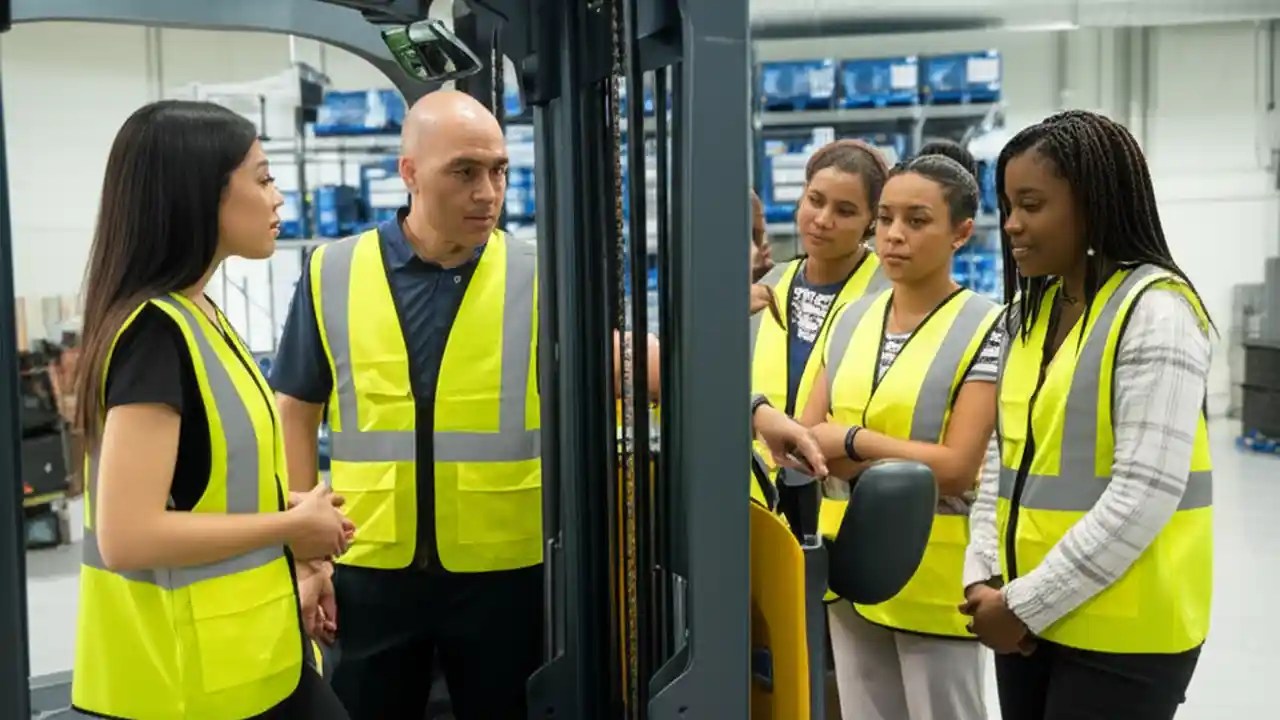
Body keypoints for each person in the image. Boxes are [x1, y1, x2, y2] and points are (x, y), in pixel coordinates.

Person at [69, 100, 352, 719]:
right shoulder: (154, 335)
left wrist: (296, 534)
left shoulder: (202, 316)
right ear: (201, 196)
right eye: (263, 176)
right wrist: (288, 528)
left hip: (253, 660)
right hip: (182, 688)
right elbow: (127, 535)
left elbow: (209, 488)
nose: (278, 197)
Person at [272, 89, 547, 720]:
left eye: (500, 170)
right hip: (368, 565)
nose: (488, 191)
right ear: (410, 173)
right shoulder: (331, 271)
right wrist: (307, 548)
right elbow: (297, 408)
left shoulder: (540, 272)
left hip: (503, 568)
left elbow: (617, 361)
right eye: (466, 171)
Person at [962, 110, 1214, 720]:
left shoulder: (1156, 313)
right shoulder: (1027, 313)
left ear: (1094, 205)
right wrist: (984, 579)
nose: (1013, 225)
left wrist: (1023, 603)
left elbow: (1145, 492)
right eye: (1007, 205)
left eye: (1032, 204)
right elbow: (1003, 456)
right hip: (1026, 617)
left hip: (1123, 630)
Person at [801, 152, 1003, 720]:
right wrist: (844, 446)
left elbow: (958, 466)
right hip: (847, 567)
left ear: (961, 232)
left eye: (917, 221)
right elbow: (812, 438)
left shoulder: (986, 326)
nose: (893, 236)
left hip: (936, 578)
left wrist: (858, 442)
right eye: (886, 218)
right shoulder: (850, 320)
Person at [748, 139, 891, 506]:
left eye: (845, 211)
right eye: (815, 200)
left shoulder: (889, 292)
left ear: (871, 222)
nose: (823, 220)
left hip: (844, 505)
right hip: (759, 497)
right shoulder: (769, 286)